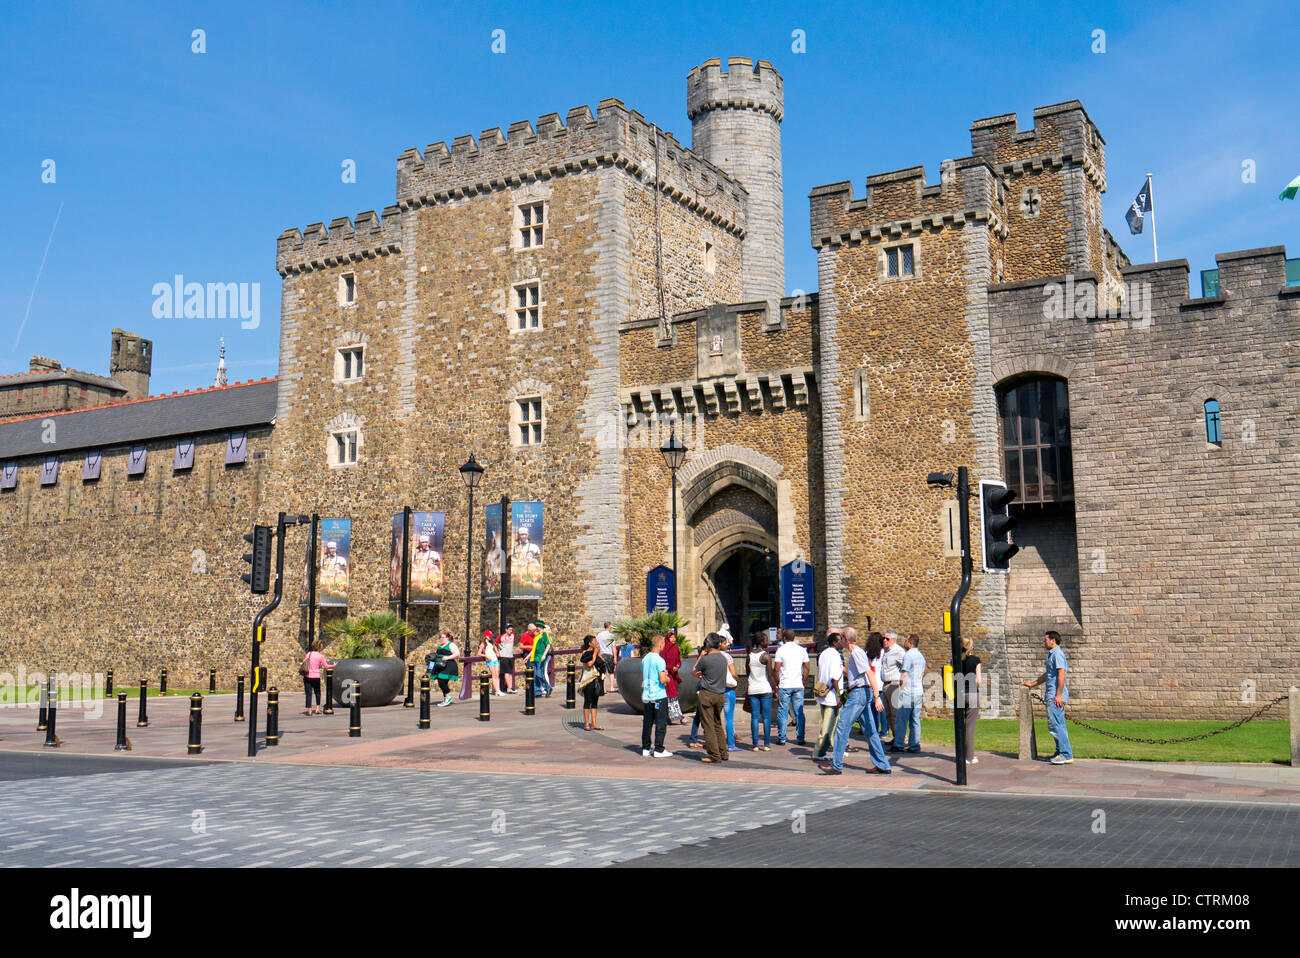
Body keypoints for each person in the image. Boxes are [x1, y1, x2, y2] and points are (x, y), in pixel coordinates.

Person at [820, 630, 890, 775]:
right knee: (870, 731)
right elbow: (857, 673)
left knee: (842, 727)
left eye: (841, 638)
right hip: (862, 693)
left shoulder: (856, 653)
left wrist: (877, 697)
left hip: (858, 694)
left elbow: (869, 673)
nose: (840, 641)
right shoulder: (857, 653)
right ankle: (883, 764)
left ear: (846, 639)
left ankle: (836, 765)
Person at [1024, 630, 1073, 764]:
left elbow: (1061, 674)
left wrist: (1058, 695)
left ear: (1053, 640)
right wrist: (1032, 684)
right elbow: (1049, 675)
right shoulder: (1052, 655)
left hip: (1055, 696)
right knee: (1055, 725)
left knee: (1057, 725)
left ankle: (1066, 754)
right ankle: (1059, 753)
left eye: (1045, 640)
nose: (1043, 642)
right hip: (1052, 694)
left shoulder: (1057, 654)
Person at [692, 633, 730, 763]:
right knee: (717, 724)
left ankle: (714, 755)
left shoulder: (706, 659)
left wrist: (700, 657)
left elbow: (694, 671)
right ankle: (723, 753)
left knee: (708, 726)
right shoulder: (723, 658)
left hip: (707, 694)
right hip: (720, 694)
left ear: (708, 644)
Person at [773, 628, 809, 746]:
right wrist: (803, 680)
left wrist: (777, 682)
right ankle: (800, 738)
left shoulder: (781, 650)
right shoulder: (802, 650)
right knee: (799, 712)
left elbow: (777, 668)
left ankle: (782, 738)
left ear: (784, 638)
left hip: (785, 684)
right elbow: (807, 667)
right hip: (798, 684)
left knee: (783, 711)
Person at [639, 634, 673, 757]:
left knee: (647, 722)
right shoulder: (659, 660)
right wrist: (668, 678)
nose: (664, 646)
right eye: (663, 643)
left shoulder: (645, 658)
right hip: (658, 695)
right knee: (660, 722)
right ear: (660, 644)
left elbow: (644, 675)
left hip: (647, 695)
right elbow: (663, 680)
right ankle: (659, 749)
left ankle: (646, 748)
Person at [813, 631, 845, 759]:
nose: (842, 643)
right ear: (834, 642)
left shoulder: (823, 654)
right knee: (827, 728)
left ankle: (832, 749)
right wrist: (838, 695)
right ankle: (818, 752)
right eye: (840, 640)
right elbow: (834, 679)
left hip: (823, 692)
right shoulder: (836, 655)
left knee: (830, 726)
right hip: (832, 695)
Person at [892, 634, 925, 752]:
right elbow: (922, 675)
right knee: (915, 720)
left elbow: (905, 673)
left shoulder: (908, 655)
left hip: (908, 691)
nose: (904, 642)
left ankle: (899, 744)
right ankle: (914, 745)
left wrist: (901, 688)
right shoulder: (921, 656)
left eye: (906, 640)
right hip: (918, 691)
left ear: (910, 643)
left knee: (901, 719)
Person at [745, 632, 774, 751]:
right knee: (766, 718)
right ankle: (766, 744)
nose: (768, 642)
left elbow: (748, 673)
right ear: (762, 642)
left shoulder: (749, 655)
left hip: (753, 689)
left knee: (755, 717)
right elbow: (770, 675)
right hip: (765, 688)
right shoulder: (766, 656)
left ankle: (755, 745)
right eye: (766, 640)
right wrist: (775, 687)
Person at [879, 629, 905, 741]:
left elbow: (907, 667)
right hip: (885, 685)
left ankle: (901, 739)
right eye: (884, 638)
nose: (884, 640)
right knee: (888, 715)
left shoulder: (899, 651)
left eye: (887, 639)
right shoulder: (885, 651)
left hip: (894, 685)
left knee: (895, 714)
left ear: (894, 640)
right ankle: (896, 737)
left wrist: (903, 683)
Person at [960, 636, 981, 764]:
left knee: (961, 724)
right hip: (972, 692)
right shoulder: (975, 660)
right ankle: (969, 756)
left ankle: (961, 753)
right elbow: (978, 680)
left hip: (960, 693)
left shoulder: (956, 659)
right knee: (970, 726)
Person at [301, 640, 335, 716]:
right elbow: (326, 666)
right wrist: (333, 665)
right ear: (319, 647)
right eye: (321, 646)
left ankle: (309, 710)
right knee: (317, 693)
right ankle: (317, 708)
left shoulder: (309, 654)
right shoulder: (320, 656)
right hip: (316, 676)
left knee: (308, 693)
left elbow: (305, 662)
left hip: (307, 676)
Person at [578, 634, 604, 730]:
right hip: (588, 680)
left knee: (595, 702)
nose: (596, 643)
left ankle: (594, 723)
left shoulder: (596, 652)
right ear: (590, 643)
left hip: (596, 679)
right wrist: (594, 654)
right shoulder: (586, 653)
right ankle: (586, 724)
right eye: (595, 641)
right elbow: (589, 664)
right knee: (587, 701)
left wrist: (599, 653)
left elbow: (603, 663)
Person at [720, 638, 741, 751]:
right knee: (729, 718)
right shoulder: (727, 656)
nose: (726, 644)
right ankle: (731, 744)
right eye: (724, 643)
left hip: (715, 690)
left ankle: (714, 742)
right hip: (728, 689)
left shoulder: (708, 656)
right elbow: (733, 673)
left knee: (714, 718)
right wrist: (736, 680)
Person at [661, 630, 685, 724]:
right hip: (667, 675)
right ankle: (679, 717)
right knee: (671, 695)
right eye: (672, 637)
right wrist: (671, 667)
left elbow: (678, 659)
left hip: (674, 676)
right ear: (668, 638)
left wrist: (678, 665)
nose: (674, 639)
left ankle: (669, 716)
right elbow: (662, 664)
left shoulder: (675, 648)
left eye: (674, 637)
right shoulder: (664, 649)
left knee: (672, 695)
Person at [432, 632, 460, 707]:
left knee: (441, 681)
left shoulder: (451, 644)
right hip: (440, 665)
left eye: (443, 637)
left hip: (448, 665)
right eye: (441, 637)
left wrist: (447, 657)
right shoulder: (440, 646)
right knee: (441, 681)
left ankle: (448, 697)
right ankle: (446, 698)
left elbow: (457, 654)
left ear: (447, 638)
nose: (441, 639)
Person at [531, 621, 553, 697]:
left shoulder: (544, 634)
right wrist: (528, 657)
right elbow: (533, 649)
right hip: (535, 657)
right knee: (535, 675)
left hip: (540, 657)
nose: (538, 628)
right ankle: (537, 691)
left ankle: (547, 687)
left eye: (539, 626)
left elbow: (548, 645)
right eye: (537, 626)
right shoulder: (537, 636)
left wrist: (544, 655)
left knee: (539, 674)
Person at [478, 629, 501, 696]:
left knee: (497, 675)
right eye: (489, 636)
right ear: (486, 636)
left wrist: (497, 653)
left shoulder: (491, 643)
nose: (490, 637)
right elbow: (479, 653)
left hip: (495, 659)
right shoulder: (483, 643)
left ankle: (498, 689)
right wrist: (486, 656)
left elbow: (494, 648)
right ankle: (497, 691)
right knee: (494, 675)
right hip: (490, 660)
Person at [595, 621, 616, 692]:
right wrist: (615, 657)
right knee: (611, 672)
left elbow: (596, 645)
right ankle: (611, 687)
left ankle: (603, 688)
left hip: (602, 654)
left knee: (603, 672)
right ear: (609, 627)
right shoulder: (611, 635)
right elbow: (613, 647)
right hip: (609, 654)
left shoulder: (599, 635)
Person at [497, 624, 516, 693]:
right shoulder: (501, 637)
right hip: (504, 656)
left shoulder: (513, 635)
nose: (511, 631)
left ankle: (511, 687)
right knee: (506, 672)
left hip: (510, 656)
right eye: (509, 629)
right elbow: (495, 644)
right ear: (506, 630)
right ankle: (509, 687)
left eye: (511, 629)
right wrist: (497, 652)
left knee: (510, 672)